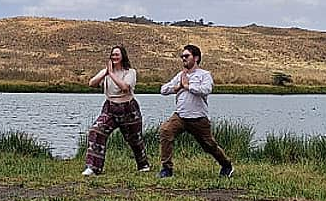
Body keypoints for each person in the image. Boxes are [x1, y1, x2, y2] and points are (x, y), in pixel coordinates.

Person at [157, 44, 234, 178]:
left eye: (186, 56)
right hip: (180, 117)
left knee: (209, 145)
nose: (183, 59)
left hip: (198, 118)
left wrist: (188, 86)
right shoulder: (180, 75)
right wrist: (177, 87)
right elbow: (163, 90)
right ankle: (166, 169)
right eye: (182, 57)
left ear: (196, 58)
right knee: (165, 131)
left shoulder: (204, 75)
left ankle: (226, 165)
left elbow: (206, 90)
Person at [82, 45, 150, 175]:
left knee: (134, 139)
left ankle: (143, 164)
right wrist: (105, 73)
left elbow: (124, 87)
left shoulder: (130, 72)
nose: (114, 57)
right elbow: (92, 83)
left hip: (128, 109)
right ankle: (93, 167)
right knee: (96, 131)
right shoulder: (106, 72)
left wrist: (112, 74)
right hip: (110, 108)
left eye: (117, 54)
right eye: (112, 55)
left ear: (123, 56)